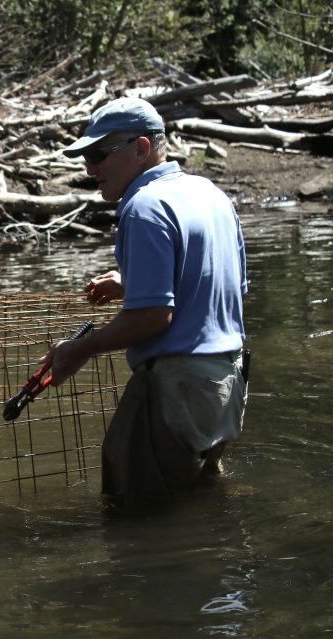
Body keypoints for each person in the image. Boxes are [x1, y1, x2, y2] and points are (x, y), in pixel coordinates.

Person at [46, 96, 249, 504]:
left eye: (100, 153)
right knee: (200, 500)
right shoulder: (209, 193)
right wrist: (132, 282)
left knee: (134, 510)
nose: (90, 168)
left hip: (179, 388)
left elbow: (154, 317)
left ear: (141, 148)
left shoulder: (143, 207)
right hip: (228, 384)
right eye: (87, 156)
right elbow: (228, 287)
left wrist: (81, 348)